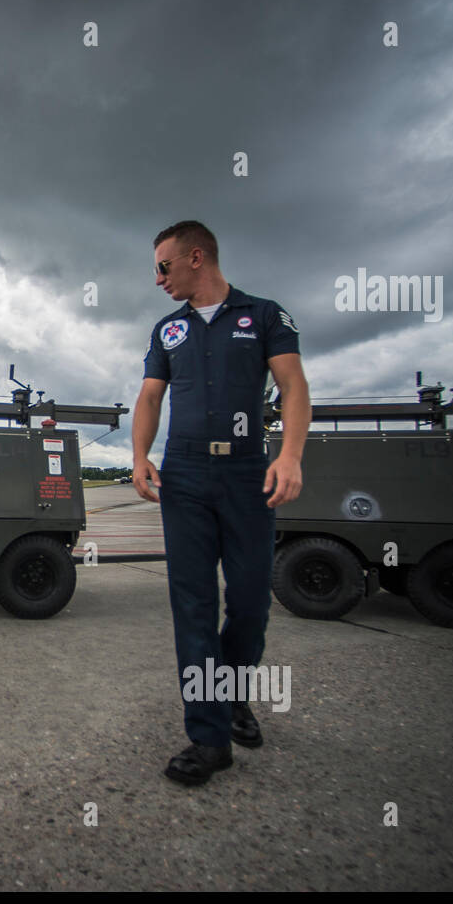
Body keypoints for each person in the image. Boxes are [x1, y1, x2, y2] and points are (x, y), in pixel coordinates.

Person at [131, 220, 311, 785]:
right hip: (184, 475)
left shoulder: (264, 316)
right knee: (193, 607)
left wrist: (289, 455)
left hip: (246, 471)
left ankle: (232, 695)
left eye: (163, 266)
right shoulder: (168, 331)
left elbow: (294, 388)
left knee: (253, 600)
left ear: (196, 256)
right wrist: (140, 456)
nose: (156, 278)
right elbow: (149, 398)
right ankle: (208, 738)